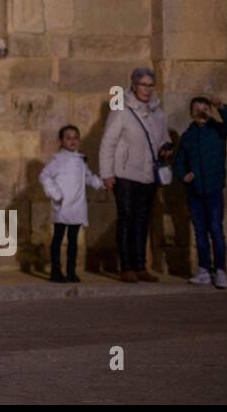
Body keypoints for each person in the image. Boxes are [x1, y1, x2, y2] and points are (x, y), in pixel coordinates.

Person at [99, 67, 170, 283]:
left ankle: (140, 266)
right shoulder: (121, 109)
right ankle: (126, 266)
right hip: (125, 174)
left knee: (142, 220)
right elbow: (108, 142)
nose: (147, 89)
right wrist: (107, 173)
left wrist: (166, 148)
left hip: (148, 175)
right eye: (143, 85)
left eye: (150, 85)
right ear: (134, 86)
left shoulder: (158, 112)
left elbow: (163, 138)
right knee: (127, 219)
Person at [174, 96, 227, 289]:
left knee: (216, 230)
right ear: (191, 113)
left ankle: (220, 271)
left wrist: (221, 107)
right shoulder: (188, 136)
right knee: (200, 232)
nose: (201, 112)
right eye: (197, 109)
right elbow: (179, 161)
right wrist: (183, 175)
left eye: (204, 108)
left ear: (209, 110)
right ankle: (203, 270)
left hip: (214, 190)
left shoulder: (218, 130)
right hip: (195, 192)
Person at [38, 124, 103, 284]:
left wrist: (100, 183)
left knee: (73, 240)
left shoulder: (80, 160)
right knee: (58, 237)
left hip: (77, 205)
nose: (72, 141)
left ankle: (71, 271)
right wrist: (56, 194)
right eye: (68, 138)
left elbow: (87, 176)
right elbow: (44, 175)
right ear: (61, 141)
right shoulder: (58, 160)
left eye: (75, 138)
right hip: (63, 204)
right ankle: (55, 271)